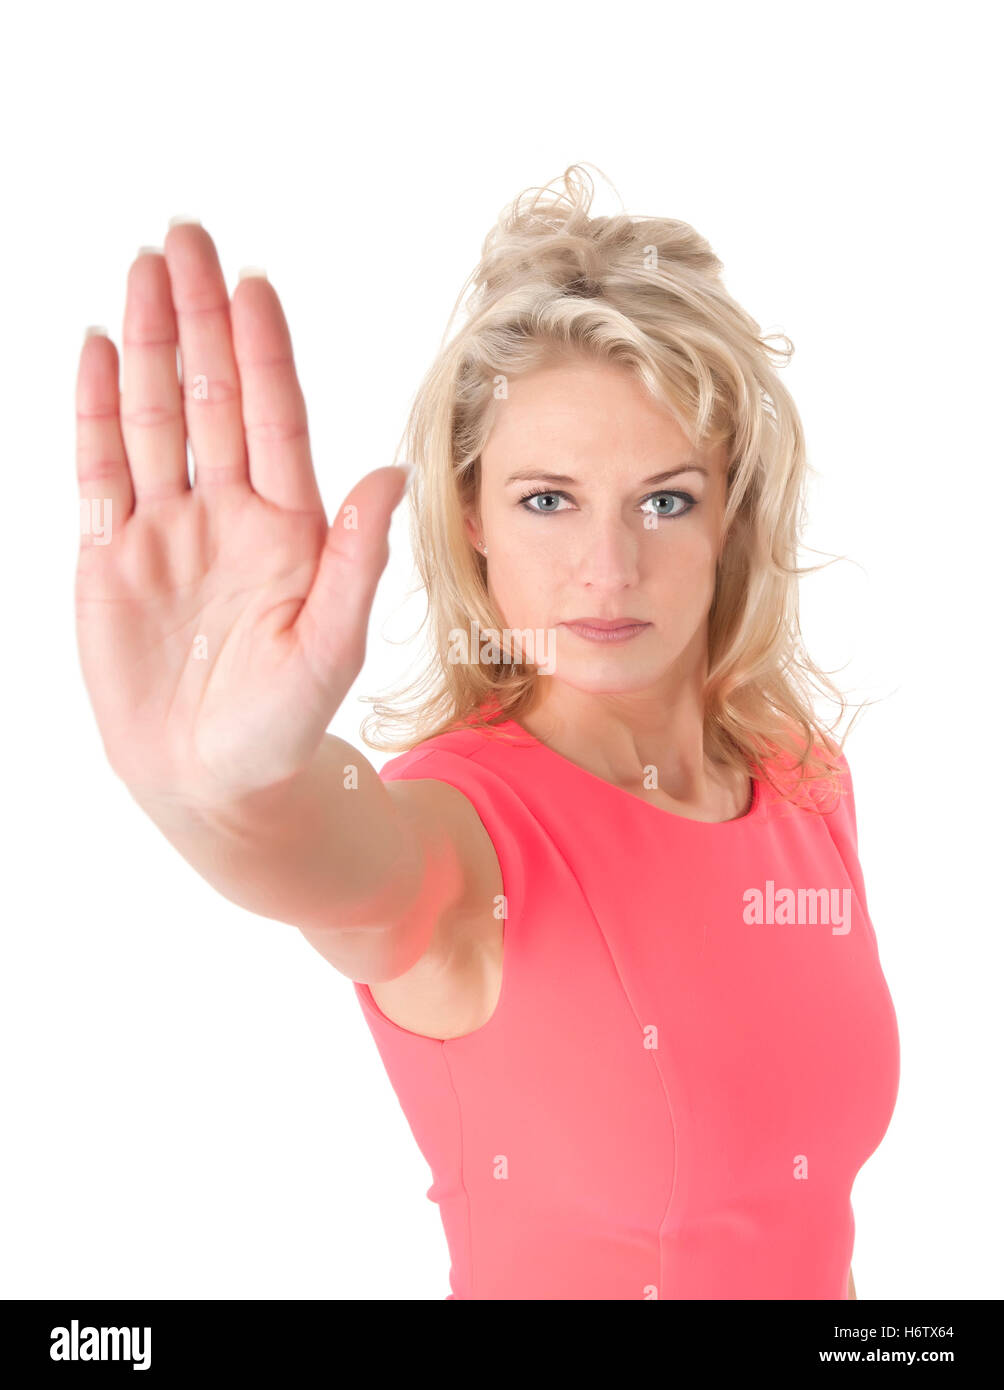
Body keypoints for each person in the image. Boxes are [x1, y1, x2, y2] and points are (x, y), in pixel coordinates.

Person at [74, 164, 899, 1301]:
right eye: (546, 499)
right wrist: (225, 789)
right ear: (470, 515)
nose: (605, 568)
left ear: (730, 515)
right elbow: (332, 851)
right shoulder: (463, 835)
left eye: (663, 499)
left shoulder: (802, 780)